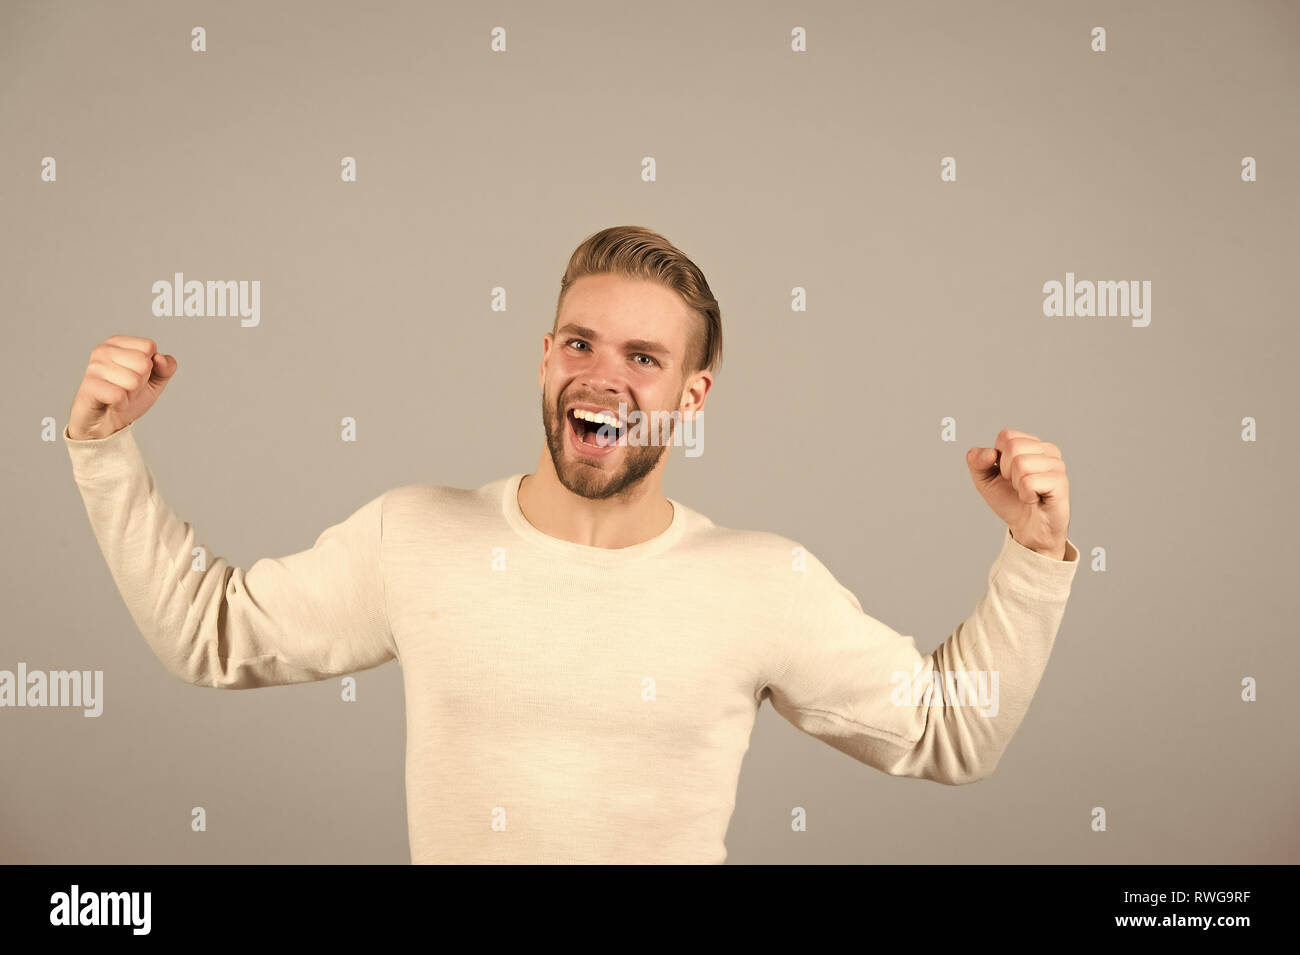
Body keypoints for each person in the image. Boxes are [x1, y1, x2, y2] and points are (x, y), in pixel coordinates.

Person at [63, 225, 1080, 864]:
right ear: (545, 359)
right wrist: (105, 450)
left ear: (691, 397)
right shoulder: (417, 535)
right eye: (581, 343)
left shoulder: (762, 583)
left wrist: (1032, 556)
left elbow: (952, 733)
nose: (604, 374)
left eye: (644, 356)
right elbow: (209, 632)